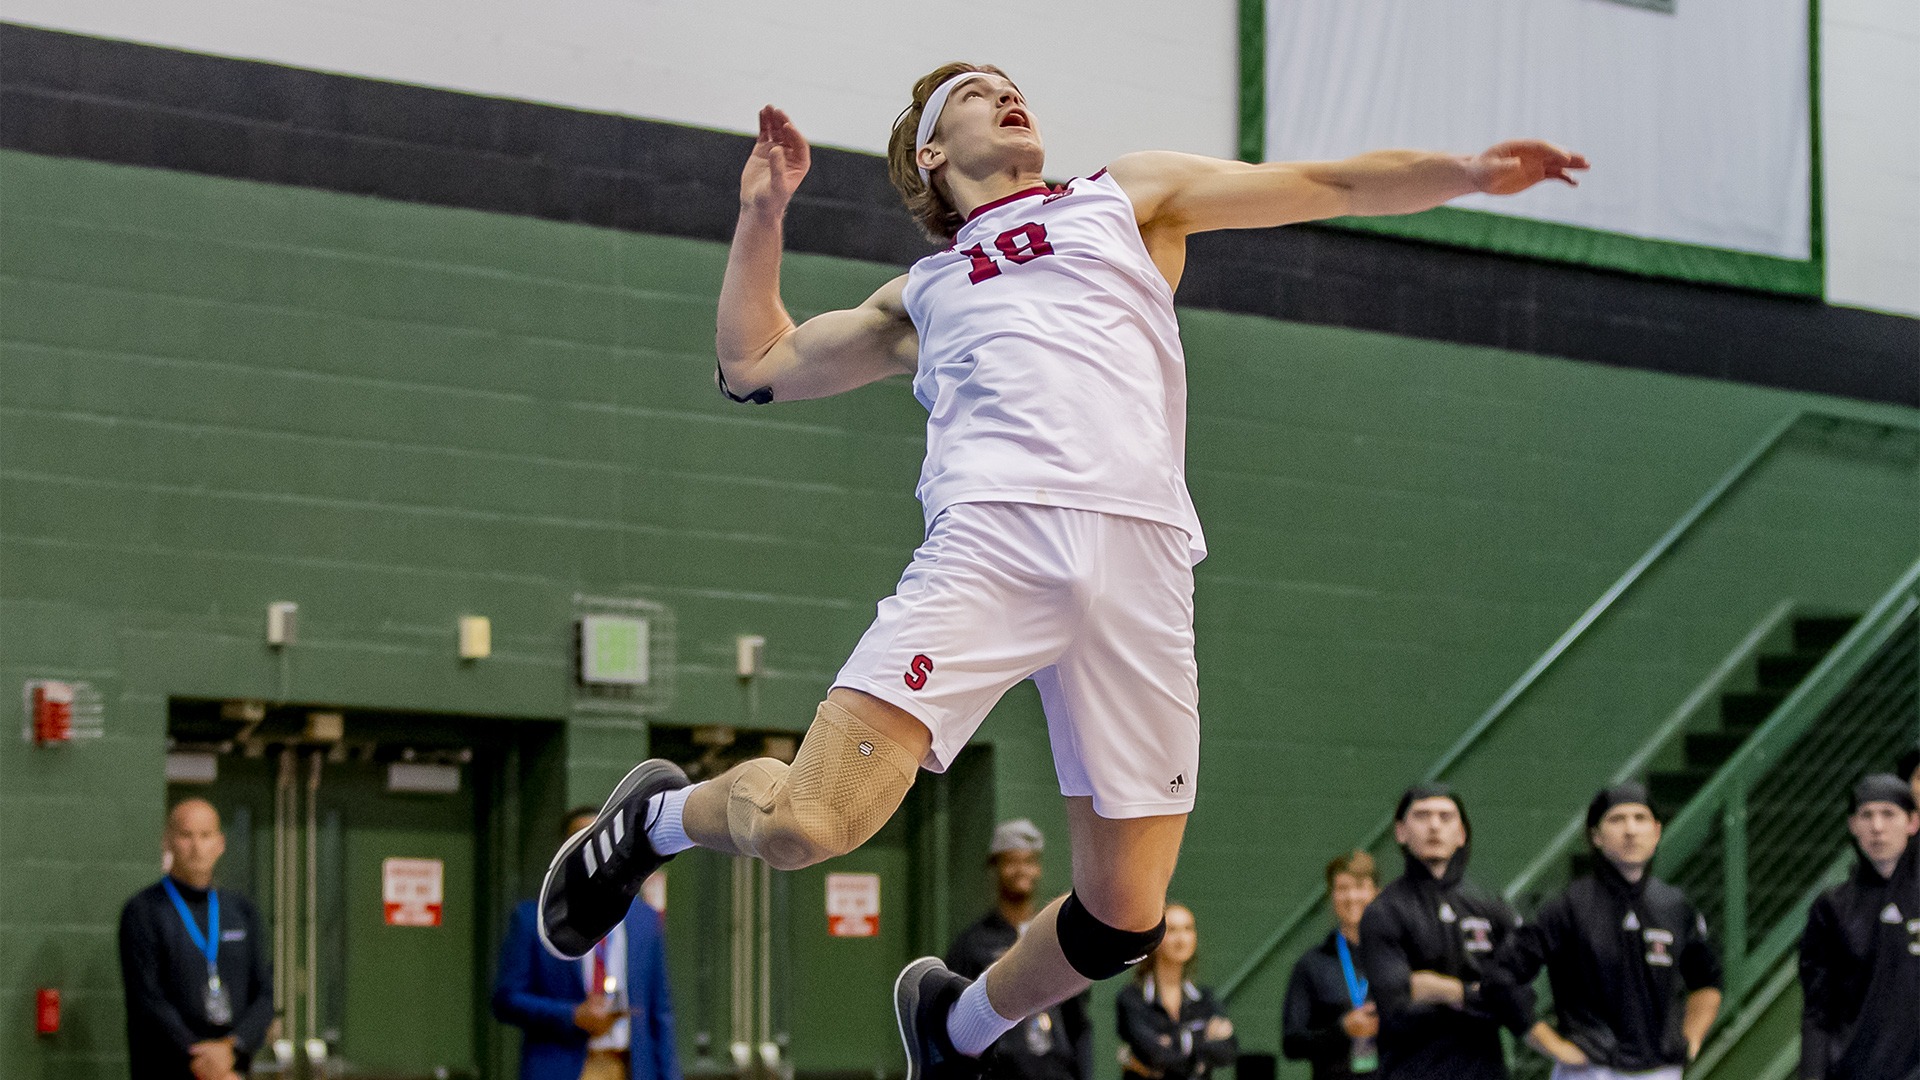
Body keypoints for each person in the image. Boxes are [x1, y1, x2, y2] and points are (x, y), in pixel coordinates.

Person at [535, 61, 1586, 1079]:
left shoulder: (1126, 199)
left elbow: (1330, 184)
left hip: (1144, 562)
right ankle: (654, 822)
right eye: (972, 90)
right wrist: (763, 213)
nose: (1006, 89)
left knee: (1126, 914)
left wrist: (1469, 172)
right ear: (933, 152)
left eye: (1010, 81)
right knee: (811, 826)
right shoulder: (927, 291)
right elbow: (751, 366)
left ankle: (959, 1020)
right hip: (993, 546)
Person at [1484, 782, 1722, 1080]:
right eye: (1616, 819)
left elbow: (1708, 981)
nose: (1630, 830)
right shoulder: (1568, 906)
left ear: (1657, 832)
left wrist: (1692, 1038)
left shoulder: (1675, 906)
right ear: (1595, 836)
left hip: (1662, 1071)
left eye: (1640, 818)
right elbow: (1500, 977)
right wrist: (1552, 1045)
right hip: (1591, 1071)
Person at [496, 807, 680, 1080]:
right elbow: (506, 999)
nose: (595, 850)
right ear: (565, 853)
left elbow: (660, 1012)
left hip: (630, 1067)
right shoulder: (533, 920)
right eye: (582, 841)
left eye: (604, 840)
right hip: (563, 1066)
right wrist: (571, 1015)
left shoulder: (644, 920)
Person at [1359, 784, 1521, 1079]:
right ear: (1401, 832)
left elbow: (1518, 1002)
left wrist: (1444, 990)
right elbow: (1397, 1011)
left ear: (1461, 834)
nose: (1434, 825)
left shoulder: (1492, 906)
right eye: (1421, 816)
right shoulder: (1383, 912)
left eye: (1445, 817)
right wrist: (1480, 997)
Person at [118, 798, 273, 1080]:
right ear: (168, 842)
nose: (197, 847)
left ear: (220, 843)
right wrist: (203, 1061)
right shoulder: (143, 911)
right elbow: (148, 1000)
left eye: (205, 835)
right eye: (186, 836)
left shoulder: (242, 911)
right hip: (170, 1069)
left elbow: (264, 996)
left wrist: (230, 1048)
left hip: (231, 1071)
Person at [946, 819, 1091, 1080]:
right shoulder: (973, 943)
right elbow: (956, 1021)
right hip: (1000, 1073)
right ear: (996, 867)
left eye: (1028, 861)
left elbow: (1078, 1022)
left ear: (1038, 868)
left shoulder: (1057, 938)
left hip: (1057, 1072)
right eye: (1011, 861)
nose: (1021, 870)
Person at [1798, 774, 1919, 1080]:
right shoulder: (1832, 908)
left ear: (1912, 822)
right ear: (1853, 825)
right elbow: (1818, 1011)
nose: (1877, 827)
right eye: (1867, 815)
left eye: (1888, 814)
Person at [1283, 850, 1382, 1078]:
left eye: (1359, 886)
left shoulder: (1397, 956)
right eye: (1342, 888)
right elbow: (1292, 1043)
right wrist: (1342, 1030)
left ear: (1375, 892)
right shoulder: (1312, 964)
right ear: (1332, 896)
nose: (1351, 896)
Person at [1116, 904, 1237, 1080]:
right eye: (1172, 930)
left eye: (1188, 929)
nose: (1181, 939)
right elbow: (1157, 1056)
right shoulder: (1132, 998)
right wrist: (1202, 1040)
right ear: (1155, 937)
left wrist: (1171, 1043)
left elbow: (1229, 1051)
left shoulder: (1204, 998)